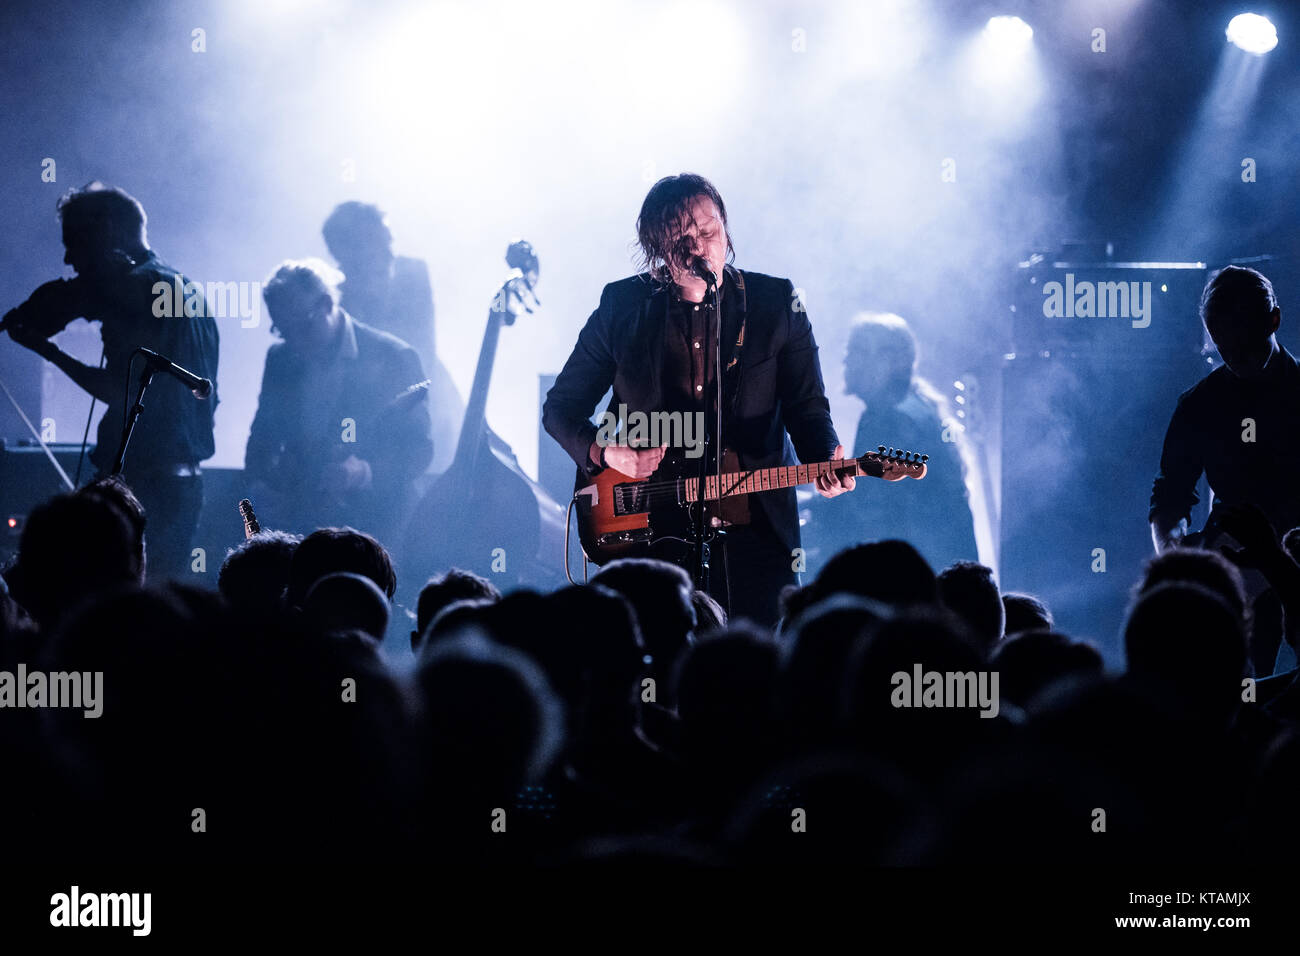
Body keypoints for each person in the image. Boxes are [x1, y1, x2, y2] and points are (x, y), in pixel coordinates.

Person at [543, 173, 854, 626]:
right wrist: (607, 452)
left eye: (708, 232)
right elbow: (560, 409)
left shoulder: (777, 302)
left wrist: (824, 456)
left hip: (755, 535)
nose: (699, 247)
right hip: (649, 532)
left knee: (756, 674)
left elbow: (807, 408)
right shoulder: (622, 306)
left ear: (726, 229)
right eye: (681, 240)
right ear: (656, 250)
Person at [3, 183, 219, 580]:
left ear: (108, 230)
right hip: (185, 484)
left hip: (140, 482)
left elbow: (117, 389)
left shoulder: (133, 287)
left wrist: (47, 350)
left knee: (107, 607)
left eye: (76, 243)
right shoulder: (189, 291)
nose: (69, 260)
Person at [244, 259, 433, 543]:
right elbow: (261, 438)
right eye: (283, 330)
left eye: (303, 327)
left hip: (375, 530)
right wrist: (261, 487)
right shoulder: (280, 359)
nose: (294, 340)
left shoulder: (395, 357)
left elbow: (418, 451)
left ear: (326, 304)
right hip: (300, 526)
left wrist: (364, 473)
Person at [1150, 265, 1300, 553]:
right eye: (1224, 348)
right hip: (1231, 562)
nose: (1235, 358)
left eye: (1246, 344)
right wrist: (1172, 553)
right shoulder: (1200, 404)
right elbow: (1171, 496)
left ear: (1274, 319)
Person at [828, 311, 978, 571]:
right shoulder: (917, 408)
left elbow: (871, 512)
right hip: (943, 574)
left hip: (916, 580)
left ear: (889, 361)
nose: (847, 359)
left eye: (858, 351)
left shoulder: (888, 418)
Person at [322, 201, 464, 473]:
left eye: (386, 238)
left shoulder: (412, 273)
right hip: (371, 410)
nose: (387, 249)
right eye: (372, 242)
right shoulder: (338, 298)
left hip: (426, 394)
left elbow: (422, 343)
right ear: (344, 252)